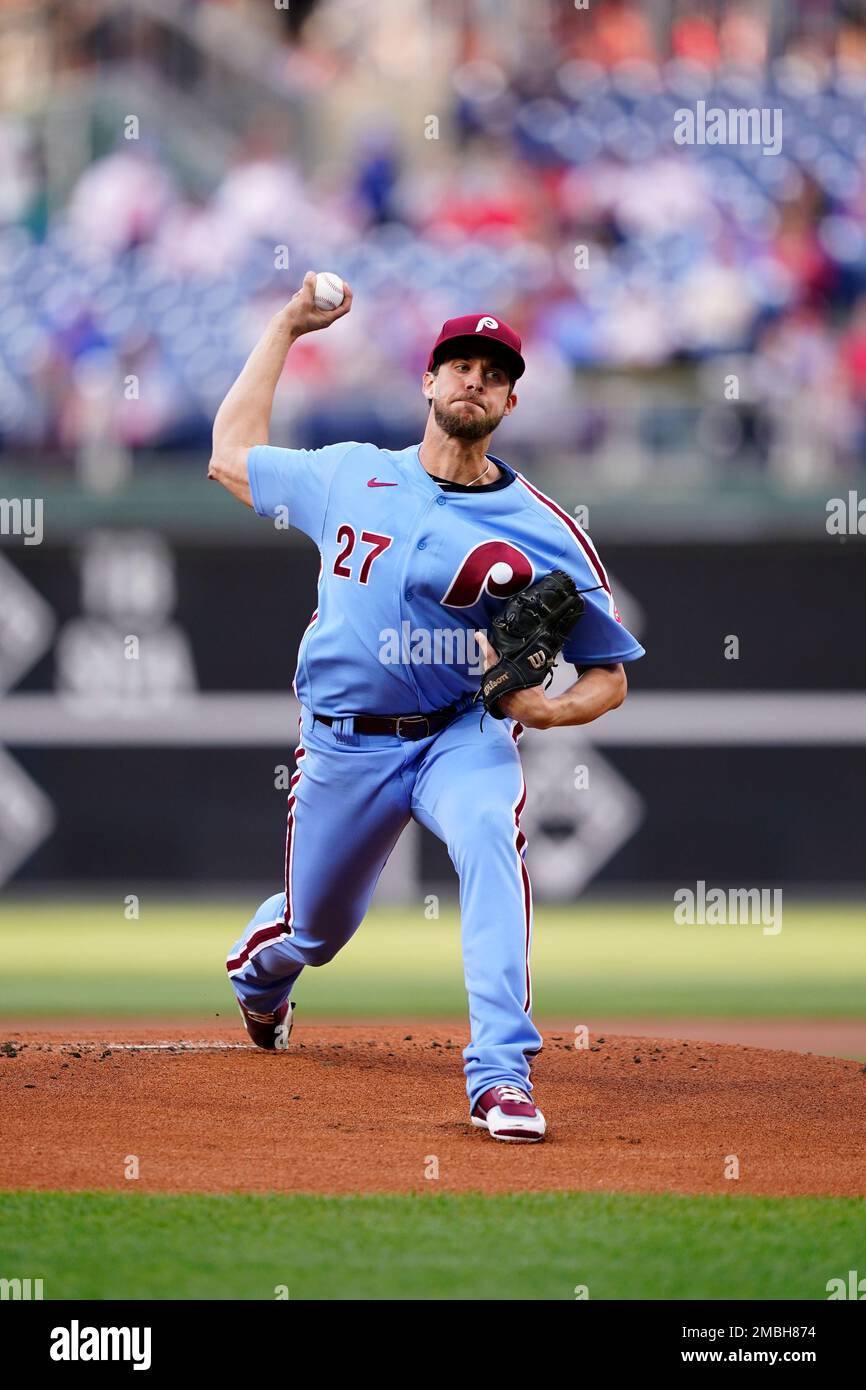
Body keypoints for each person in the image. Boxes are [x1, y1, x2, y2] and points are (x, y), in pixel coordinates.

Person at [208, 272, 645, 1142]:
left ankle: (500, 1076)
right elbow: (228, 452)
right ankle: (261, 983)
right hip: (343, 745)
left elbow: (610, 672)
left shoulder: (545, 527)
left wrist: (549, 712)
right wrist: (289, 327)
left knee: (490, 836)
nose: (473, 378)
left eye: (493, 369)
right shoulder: (350, 475)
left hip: (461, 732)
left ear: (512, 397)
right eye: (459, 364)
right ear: (428, 382)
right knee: (314, 930)